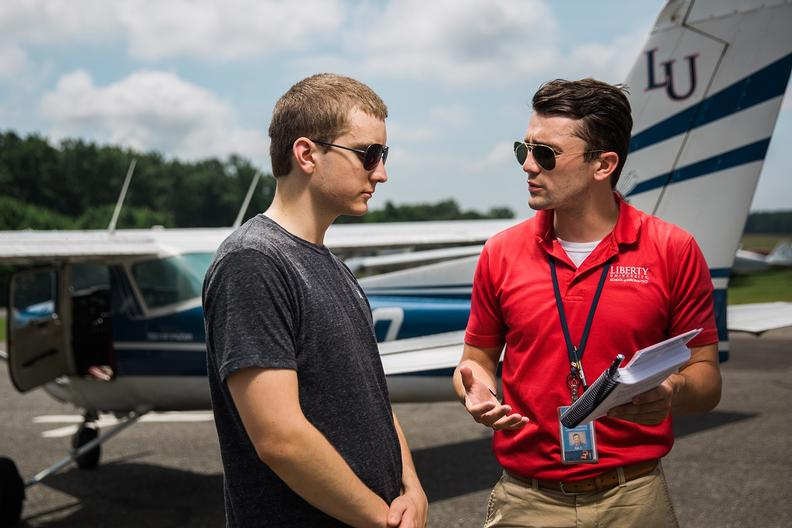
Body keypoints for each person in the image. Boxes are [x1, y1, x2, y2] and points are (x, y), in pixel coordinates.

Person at [452, 78, 721, 527]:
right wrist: (473, 389)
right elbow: (474, 361)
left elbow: (708, 380)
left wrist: (674, 391)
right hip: (526, 500)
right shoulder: (500, 252)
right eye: (524, 149)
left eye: (546, 154)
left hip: (633, 497)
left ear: (604, 164)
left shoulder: (673, 249)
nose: (528, 166)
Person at [203, 73, 427, 528]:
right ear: (306, 154)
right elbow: (279, 437)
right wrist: (380, 520)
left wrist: (412, 487)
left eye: (383, 155)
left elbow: (372, 400)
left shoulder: (329, 263)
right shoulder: (253, 261)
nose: (381, 172)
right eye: (369, 154)